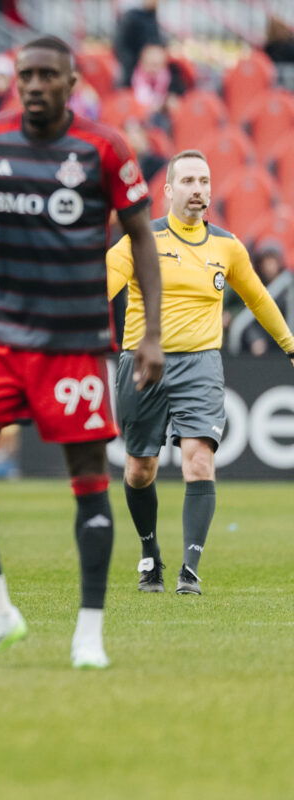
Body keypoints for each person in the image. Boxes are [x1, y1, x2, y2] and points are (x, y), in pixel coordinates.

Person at [0, 36, 164, 670]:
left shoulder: (105, 148)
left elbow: (142, 236)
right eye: (24, 75)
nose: (32, 85)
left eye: (45, 76)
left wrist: (151, 333)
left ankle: (88, 632)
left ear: (71, 81)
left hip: (74, 343)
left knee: (88, 483)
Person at [107, 150, 294, 596]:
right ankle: (149, 551)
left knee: (199, 460)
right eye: (188, 180)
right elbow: (104, 282)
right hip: (143, 362)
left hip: (201, 363)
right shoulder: (140, 239)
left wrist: (289, 344)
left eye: (205, 181)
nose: (198, 189)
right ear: (168, 190)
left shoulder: (227, 246)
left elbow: (259, 299)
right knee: (139, 469)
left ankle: (190, 569)